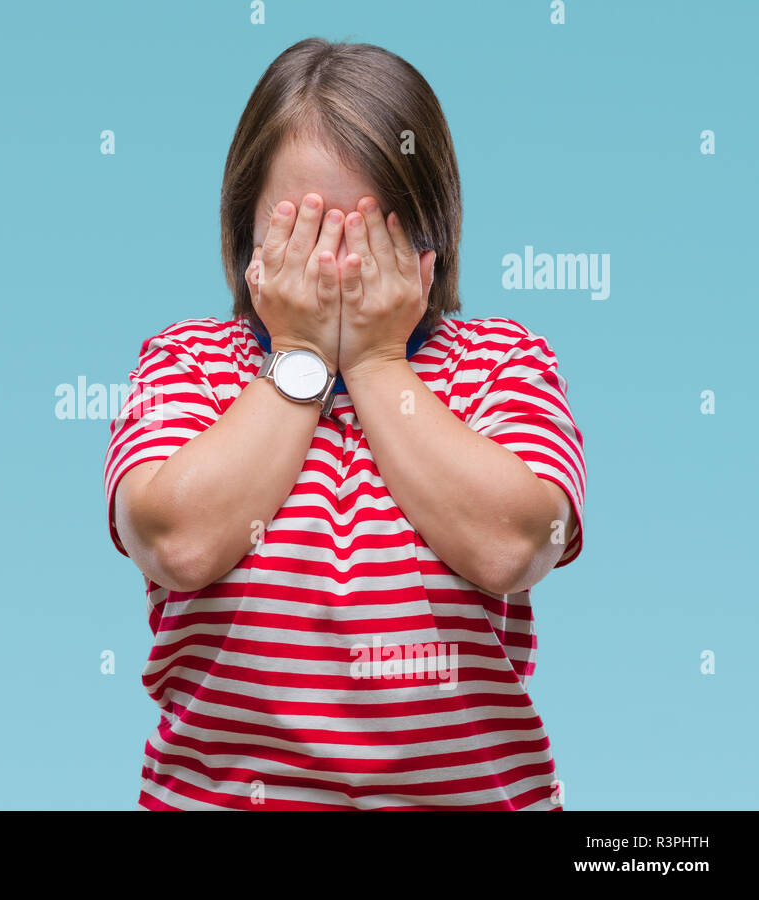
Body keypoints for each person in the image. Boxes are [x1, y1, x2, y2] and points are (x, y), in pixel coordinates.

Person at [103, 38, 586, 810]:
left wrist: (376, 361)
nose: (339, 264)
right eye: (308, 231)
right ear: (247, 236)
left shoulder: (503, 362)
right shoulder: (185, 364)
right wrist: (298, 358)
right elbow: (174, 539)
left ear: (432, 237)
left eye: (372, 236)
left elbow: (516, 543)